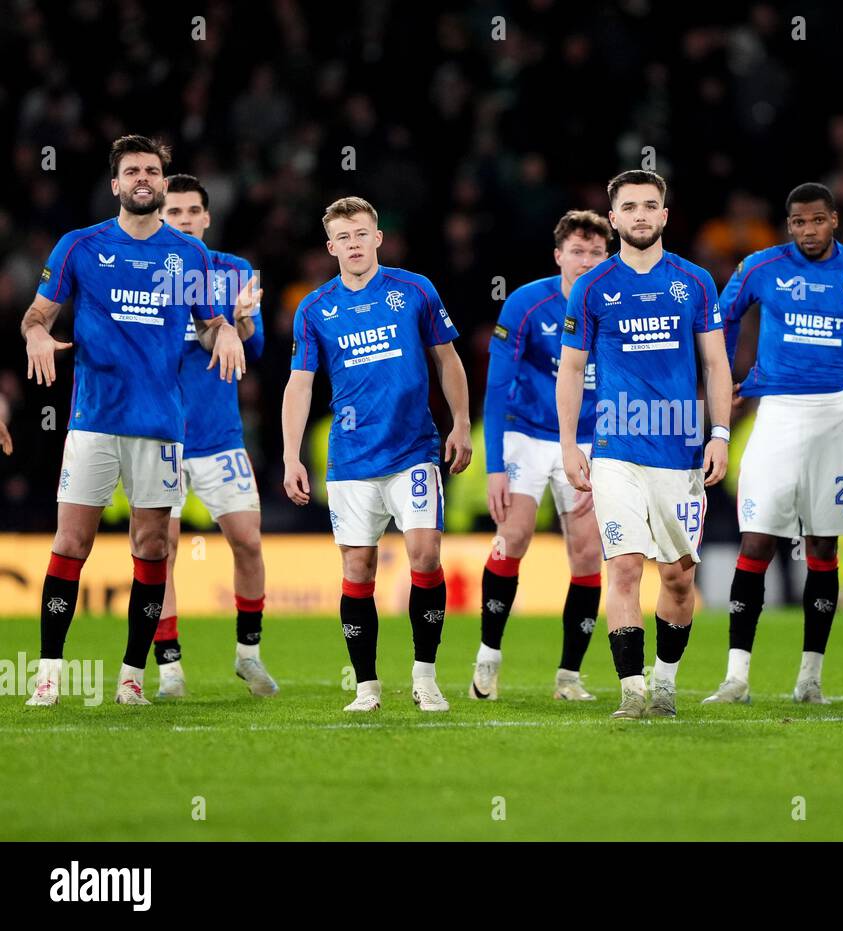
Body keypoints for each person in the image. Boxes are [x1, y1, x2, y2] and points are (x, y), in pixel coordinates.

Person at [23, 135, 244, 706]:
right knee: (71, 543)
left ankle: (131, 677)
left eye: (152, 170)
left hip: (160, 424)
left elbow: (209, 322)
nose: (143, 178)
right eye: (132, 171)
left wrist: (227, 335)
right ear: (116, 184)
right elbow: (36, 314)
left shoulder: (188, 255)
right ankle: (48, 672)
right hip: (93, 420)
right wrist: (39, 335)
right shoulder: (80, 247)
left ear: (163, 184)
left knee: (152, 548)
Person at [704, 181, 843, 705]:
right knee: (757, 542)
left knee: (822, 545)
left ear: (833, 219)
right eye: (797, 222)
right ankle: (736, 679)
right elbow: (720, 319)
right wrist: (729, 381)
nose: (807, 231)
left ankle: (810, 679)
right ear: (787, 224)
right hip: (777, 418)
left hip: (835, 418)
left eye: (816, 220)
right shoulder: (760, 267)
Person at [283, 196, 471, 713]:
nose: (353, 245)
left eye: (361, 234)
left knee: (425, 556)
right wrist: (290, 455)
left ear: (378, 238)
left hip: (414, 450)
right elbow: (300, 385)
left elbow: (447, 359)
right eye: (343, 238)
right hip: (350, 459)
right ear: (330, 247)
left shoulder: (415, 290)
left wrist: (461, 423)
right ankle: (367, 686)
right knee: (359, 568)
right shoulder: (315, 308)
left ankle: (425, 676)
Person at [557, 170, 732, 719]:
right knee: (625, 568)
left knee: (679, 579)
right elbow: (571, 369)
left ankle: (665, 681)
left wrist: (720, 435)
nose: (639, 215)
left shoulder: (696, 281)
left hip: (680, 450)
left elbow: (716, 363)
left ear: (664, 216)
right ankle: (632, 690)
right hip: (615, 452)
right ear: (613, 219)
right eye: (628, 207)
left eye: (649, 206)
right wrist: (569, 442)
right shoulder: (592, 287)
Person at [471, 210, 610, 702]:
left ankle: (569, 677)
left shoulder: (617, 304)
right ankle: (488, 659)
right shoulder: (527, 303)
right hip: (526, 436)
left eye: (597, 252)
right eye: (578, 251)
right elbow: (497, 386)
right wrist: (493, 467)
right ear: (559, 256)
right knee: (513, 538)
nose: (587, 260)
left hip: (590, 438)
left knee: (589, 552)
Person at [154, 172, 277, 699]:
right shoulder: (145, 272)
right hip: (158, 432)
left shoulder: (234, 272)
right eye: (173, 213)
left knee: (247, 541)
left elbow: (256, 349)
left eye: (191, 213)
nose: (183, 221)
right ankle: (169, 667)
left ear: (207, 217)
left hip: (220, 434)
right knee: (162, 550)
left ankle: (248, 655)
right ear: (160, 217)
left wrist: (242, 323)